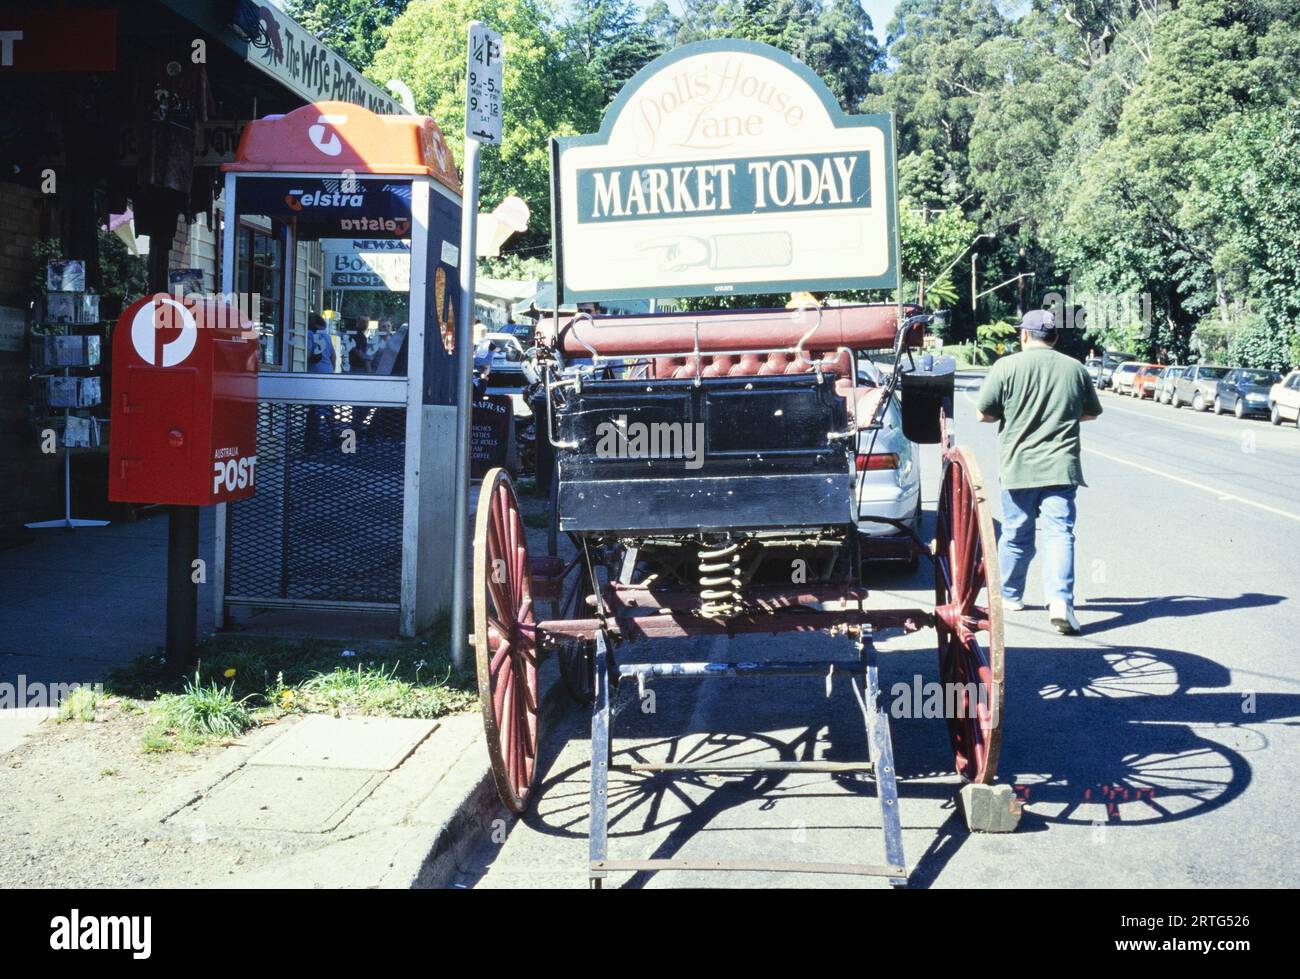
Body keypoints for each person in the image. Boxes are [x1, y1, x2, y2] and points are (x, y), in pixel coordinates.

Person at [975, 308, 1102, 635]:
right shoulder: (1075, 368)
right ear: (1055, 337)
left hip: (1018, 467)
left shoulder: (1006, 366)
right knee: (1060, 534)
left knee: (1016, 534)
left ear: (1024, 335)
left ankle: (1010, 595)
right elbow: (1090, 413)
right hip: (1061, 468)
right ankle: (1060, 602)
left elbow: (983, 415)